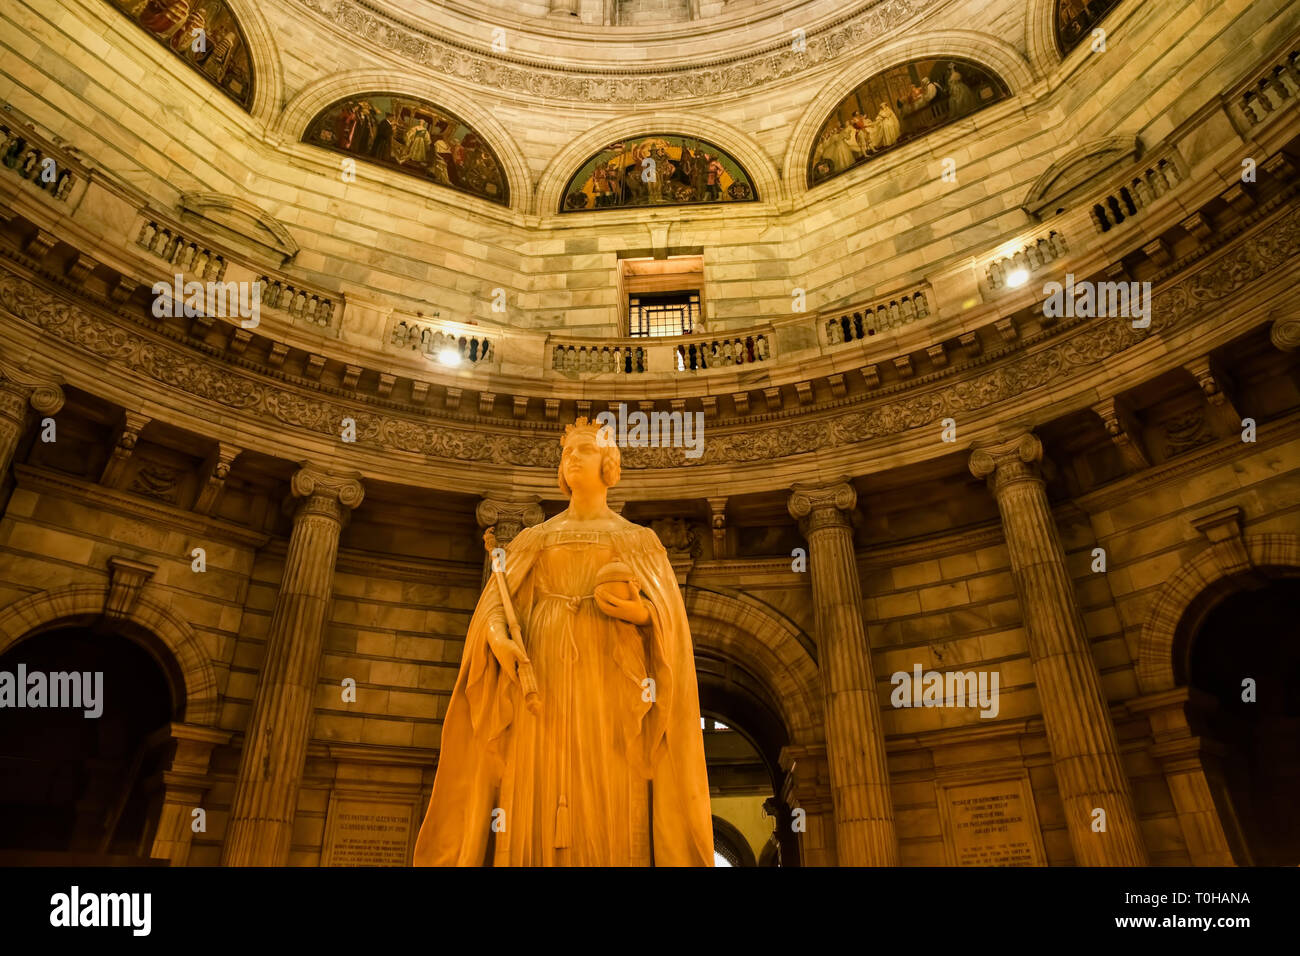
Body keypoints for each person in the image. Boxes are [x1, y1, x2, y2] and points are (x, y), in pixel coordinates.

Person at [413, 419, 713, 866]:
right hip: (542, 675)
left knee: (607, 779)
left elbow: (667, 615)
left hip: (610, 678)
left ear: (608, 464)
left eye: (585, 451)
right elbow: (496, 605)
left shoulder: (638, 540)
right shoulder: (536, 538)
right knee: (535, 778)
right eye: (567, 452)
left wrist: (640, 613)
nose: (572, 458)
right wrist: (498, 640)